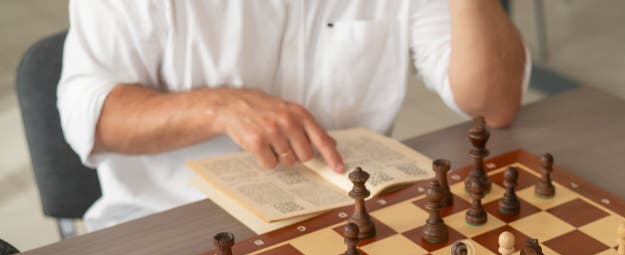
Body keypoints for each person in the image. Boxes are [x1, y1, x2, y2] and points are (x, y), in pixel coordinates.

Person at [58, 1, 530, 230]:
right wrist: (216, 106)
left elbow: (494, 105)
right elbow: (91, 114)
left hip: (346, 219)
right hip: (170, 223)